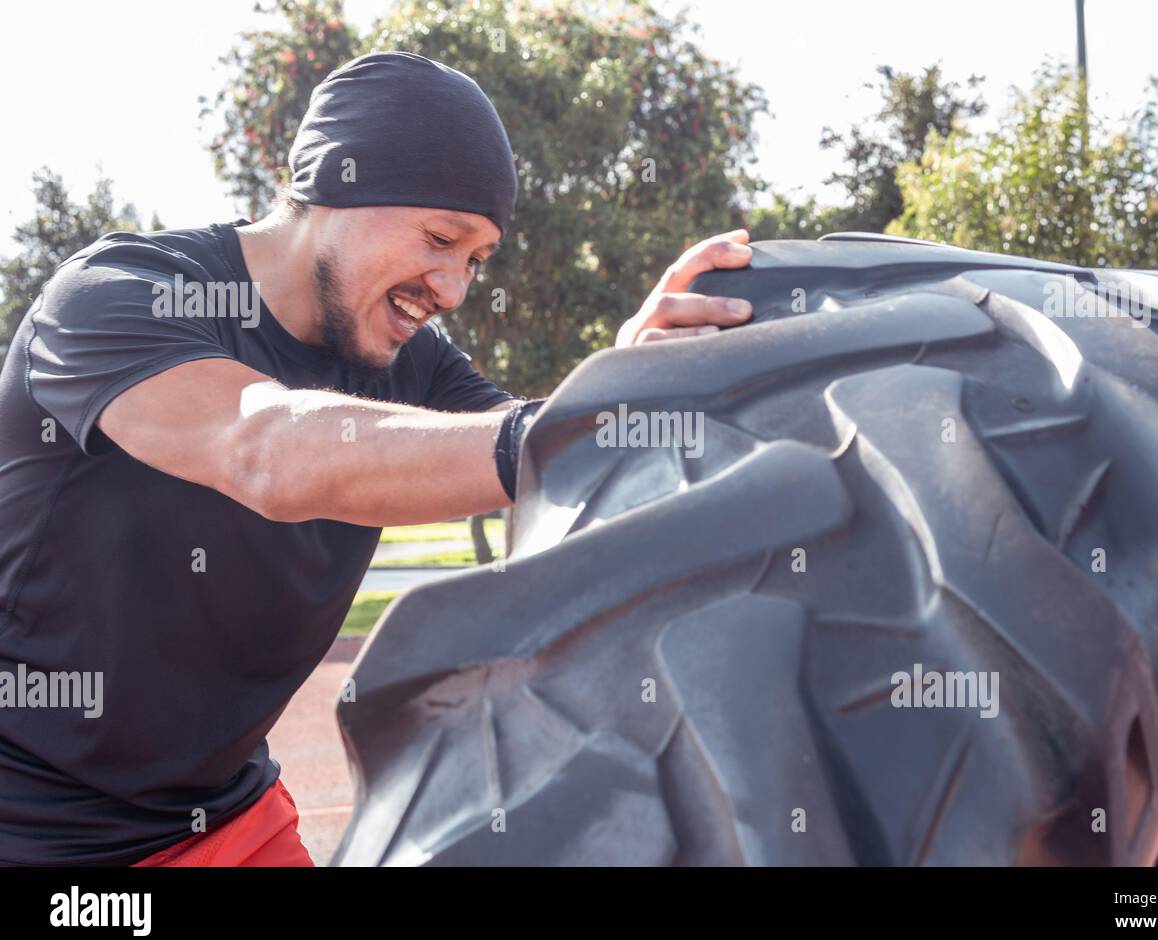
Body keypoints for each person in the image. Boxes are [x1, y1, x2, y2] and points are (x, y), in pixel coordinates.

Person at [0, 51, 754, 866]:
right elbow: (268, 449)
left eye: (476, 258)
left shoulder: (412, 359)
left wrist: (623, 382)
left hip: (224, 817)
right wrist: (578, 425)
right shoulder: (115, 296)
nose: (455, 287)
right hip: (35, 829)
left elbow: (542, 446)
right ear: (332, 185)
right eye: (440, 239)